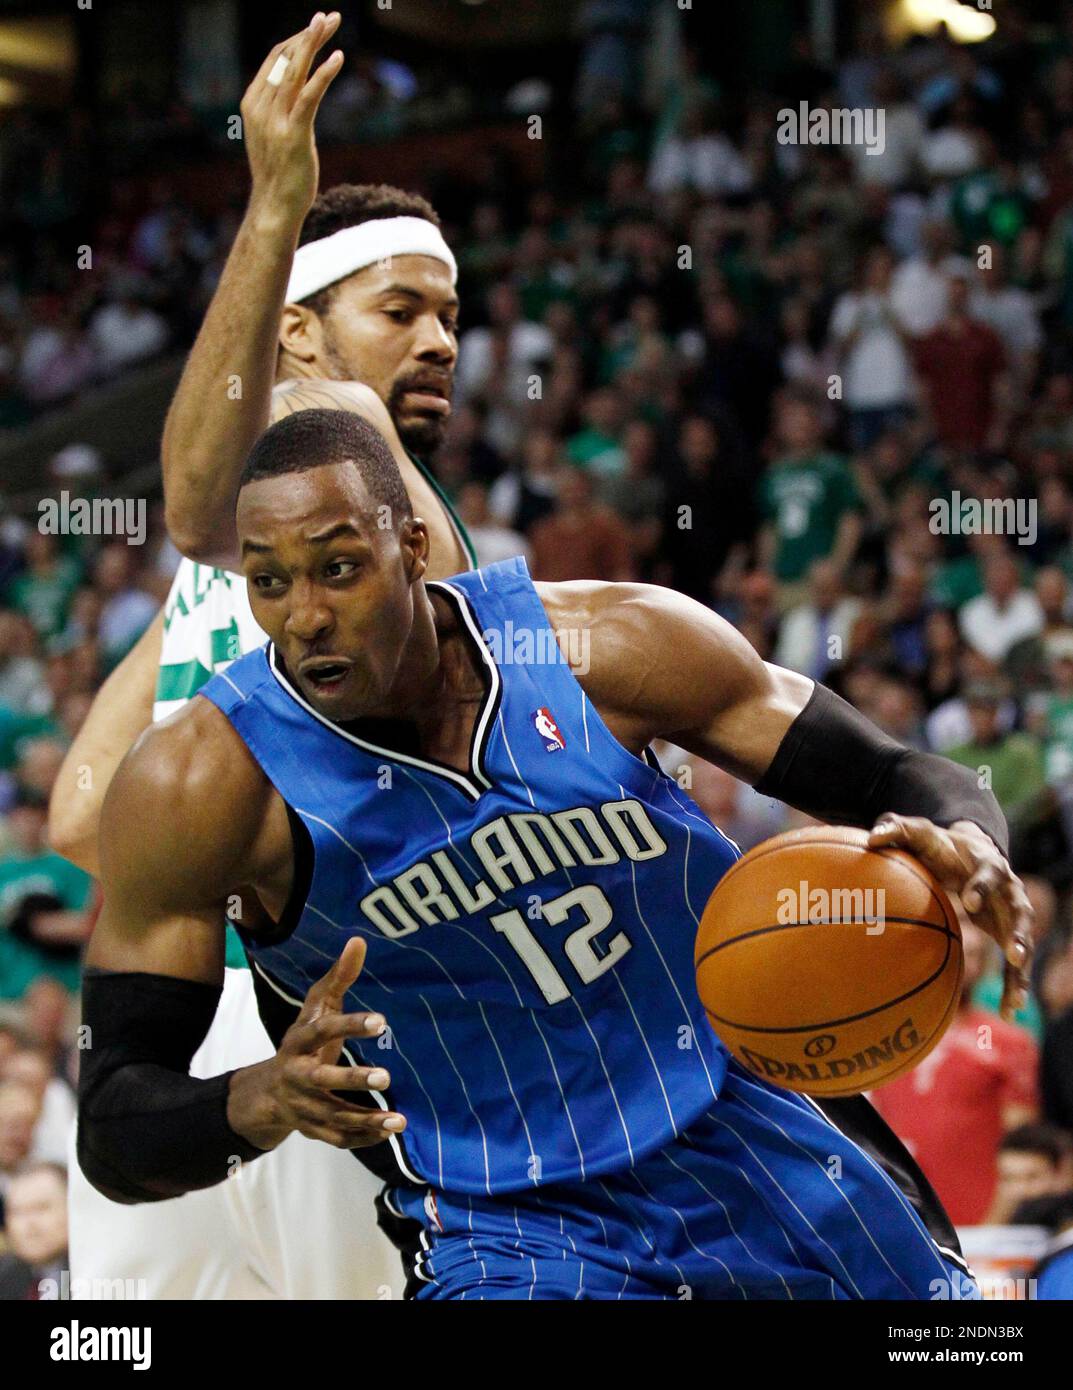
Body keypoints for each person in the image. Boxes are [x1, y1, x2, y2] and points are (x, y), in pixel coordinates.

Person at [78, 407, 1034, 1300]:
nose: (304, 616)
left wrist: (967, 841)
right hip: (506, 1227)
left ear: (413, 548)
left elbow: (895, 775)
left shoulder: (610, 648)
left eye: (337, 568)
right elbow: (116, 1119)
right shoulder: (202, 783)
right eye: (269, 580)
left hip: (748, 1126)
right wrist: (258, 1098)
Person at [52, 12, 472, 1301]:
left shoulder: (411, 543)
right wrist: (274, 212)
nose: (443, 342)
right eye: (400, 309)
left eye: (450, 316)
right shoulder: (210, 567)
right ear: (290, 330)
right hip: (199, 1016)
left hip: (336, 994)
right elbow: (80, 811)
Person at [872, 918, 1039, 1227]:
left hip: (982, 1224)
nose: (964, 965)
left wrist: (993, 1227)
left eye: (974, 954)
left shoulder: (1008, 1043)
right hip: (901, 1220)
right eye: (955, 953)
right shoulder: (885, 1041)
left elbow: (1022, 1151)